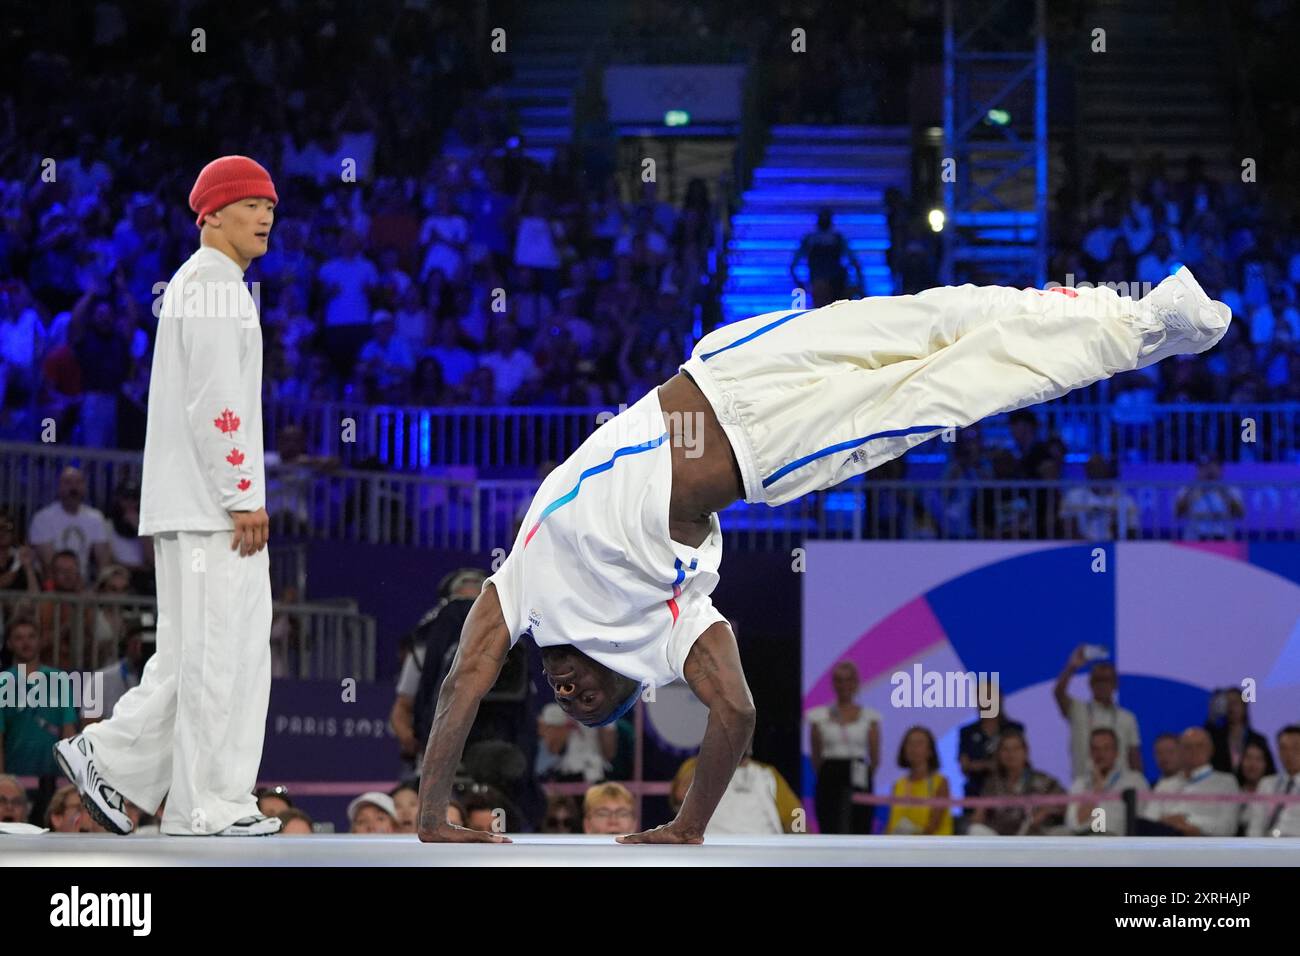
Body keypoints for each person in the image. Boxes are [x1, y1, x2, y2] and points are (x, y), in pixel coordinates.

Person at [416, 267, 1232, 844]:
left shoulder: (521, 588)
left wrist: (428, 813)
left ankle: (1110, 305)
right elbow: (735, 712)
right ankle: (1143, 331)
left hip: (723, 366)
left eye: (574, 698)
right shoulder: (665, 638)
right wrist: (690, 824)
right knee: (952, 385)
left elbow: (462, 683)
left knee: (933, 316)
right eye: (598, 704)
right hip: (771, 446)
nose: (577, 696)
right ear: (636, 685)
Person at [54, 156, 281, 837]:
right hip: (215, 509)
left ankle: (111, 760)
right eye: (249, 204)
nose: (265, 215)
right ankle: (208, 803)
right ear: (210, 213)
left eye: (270, 205)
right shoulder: (213, 285)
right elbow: (214, 401)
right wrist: (242, 493)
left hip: (194, 506)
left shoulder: (204, 284)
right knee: (223, 656)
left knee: (193, 657)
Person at [807, 660, 880, 834]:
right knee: (830, 823)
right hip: (830, 773)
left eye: (849, 680)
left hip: (859, 773)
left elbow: (875, 757)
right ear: (833, 684)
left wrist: (864, 775)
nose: (844, 685)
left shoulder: (870, 718)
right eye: (839, 680)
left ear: (856, 683)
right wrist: (829, 772)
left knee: (860, 824)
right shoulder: (819, 718)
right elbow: (816, 756)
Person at [1054, 646, 1143, 780]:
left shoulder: (1127, 717)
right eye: (1097, 680)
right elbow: (1058, 693)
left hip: (1118, 789)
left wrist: (1139, 787)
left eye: (1107, 680)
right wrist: (1072, 667)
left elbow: (1134, 757)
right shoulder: (1077, 709)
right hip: (1083, 787)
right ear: (1090, 683)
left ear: (1115, 684)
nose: (1102, 685)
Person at [1065, 727, 1149, 836]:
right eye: (1095, 749)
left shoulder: (1134, 781)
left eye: (1106, 748)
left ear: (1116, 752)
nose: (1100, 754)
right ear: (1090, 753)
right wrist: (1097, 789)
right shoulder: (1080, 784)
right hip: (1084, 840)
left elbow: (1144, 822)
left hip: (1117, 843)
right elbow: (1074, 823)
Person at [886, 726, 954, 835]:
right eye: (910, 743)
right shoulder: (897, 785)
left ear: (930, 750)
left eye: (919, 743)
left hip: (930, 848)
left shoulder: (940, 783)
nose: (913, 748)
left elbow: (933, 826)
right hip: (898, 846)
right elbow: (890, 825)